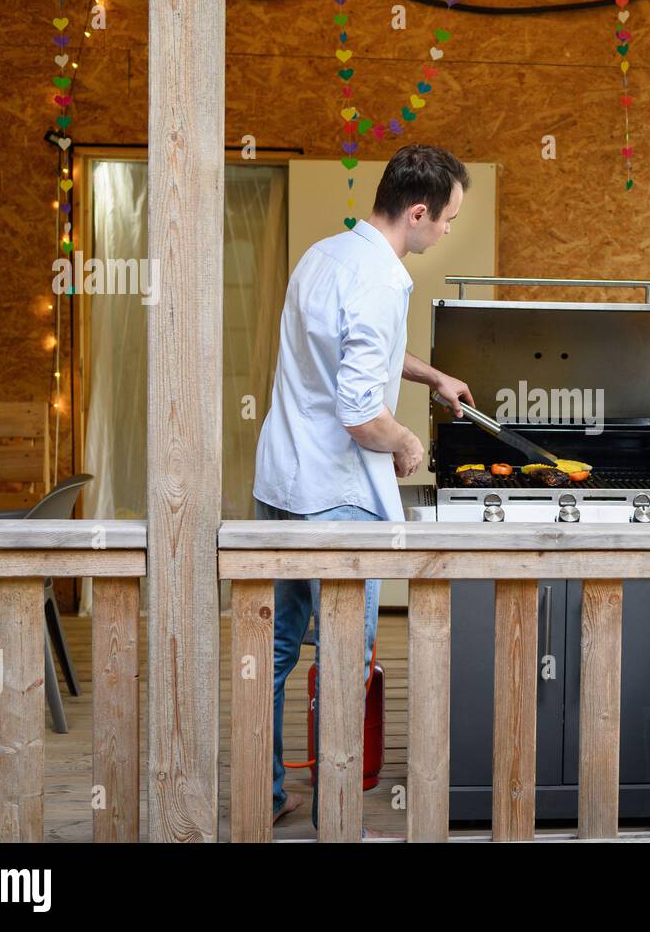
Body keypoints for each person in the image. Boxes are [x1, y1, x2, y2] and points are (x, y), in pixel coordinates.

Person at [253, 145, 475, 826]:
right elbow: (359, 414)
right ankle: (337, 819)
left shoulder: (326, 254)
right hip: (338, 498)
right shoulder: (380, 281)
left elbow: (355, 348)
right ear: (416, 213)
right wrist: (408, 442)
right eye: (447, 220)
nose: (447, 231)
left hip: (281, 481)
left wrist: (431, 375)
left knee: (276, 650)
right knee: (346, 657)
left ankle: (266, 795)